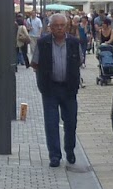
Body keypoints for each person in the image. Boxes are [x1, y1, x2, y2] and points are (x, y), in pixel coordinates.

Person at [31, 13, 84, 168]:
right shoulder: (43, 43)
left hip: (69, 89)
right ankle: (54, 155)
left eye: (62, 25)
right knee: (51, 123)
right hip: (50, 88)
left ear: (66, 26)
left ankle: (70, 149)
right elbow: (35, 63)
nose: (59, 28)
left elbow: (79, 61)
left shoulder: (74, 43)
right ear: (50, 27)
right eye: (56, 25)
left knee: (71, 122)